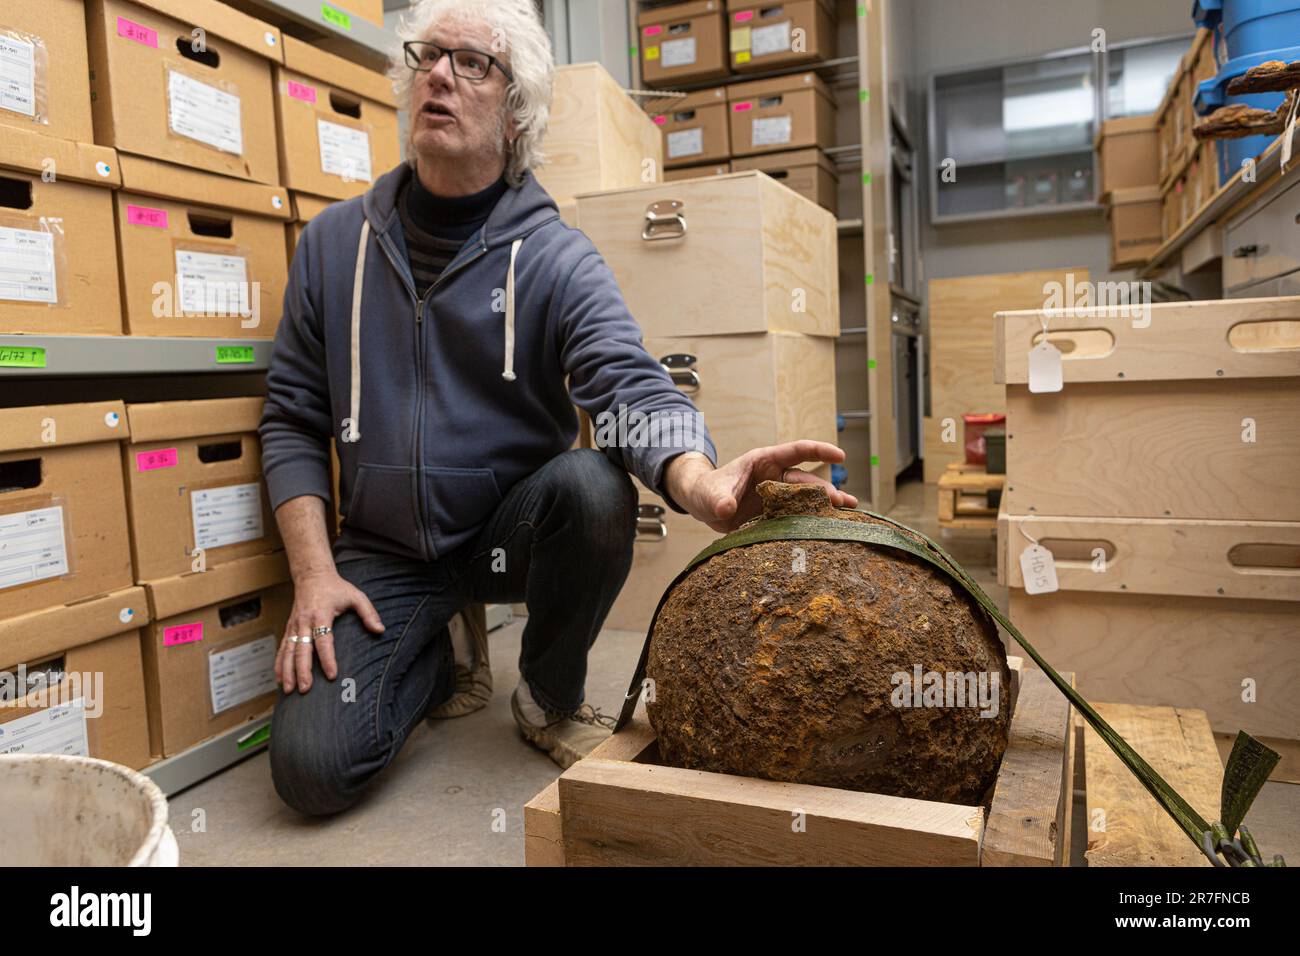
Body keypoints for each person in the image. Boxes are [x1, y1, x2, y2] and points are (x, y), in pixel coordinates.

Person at [259, 0, 857, 816]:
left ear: (516, 114)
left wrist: (702, 481)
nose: (438, 73)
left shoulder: (555, 256)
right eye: (429, 55)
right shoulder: (332, 248)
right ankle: (434, 655)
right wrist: (313, 573)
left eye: (473, 64)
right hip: (383, 550)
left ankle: (545, 690)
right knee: (312, 770)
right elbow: (292, 415)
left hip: (509, 530)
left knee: (593, 486)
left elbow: (627, 384)